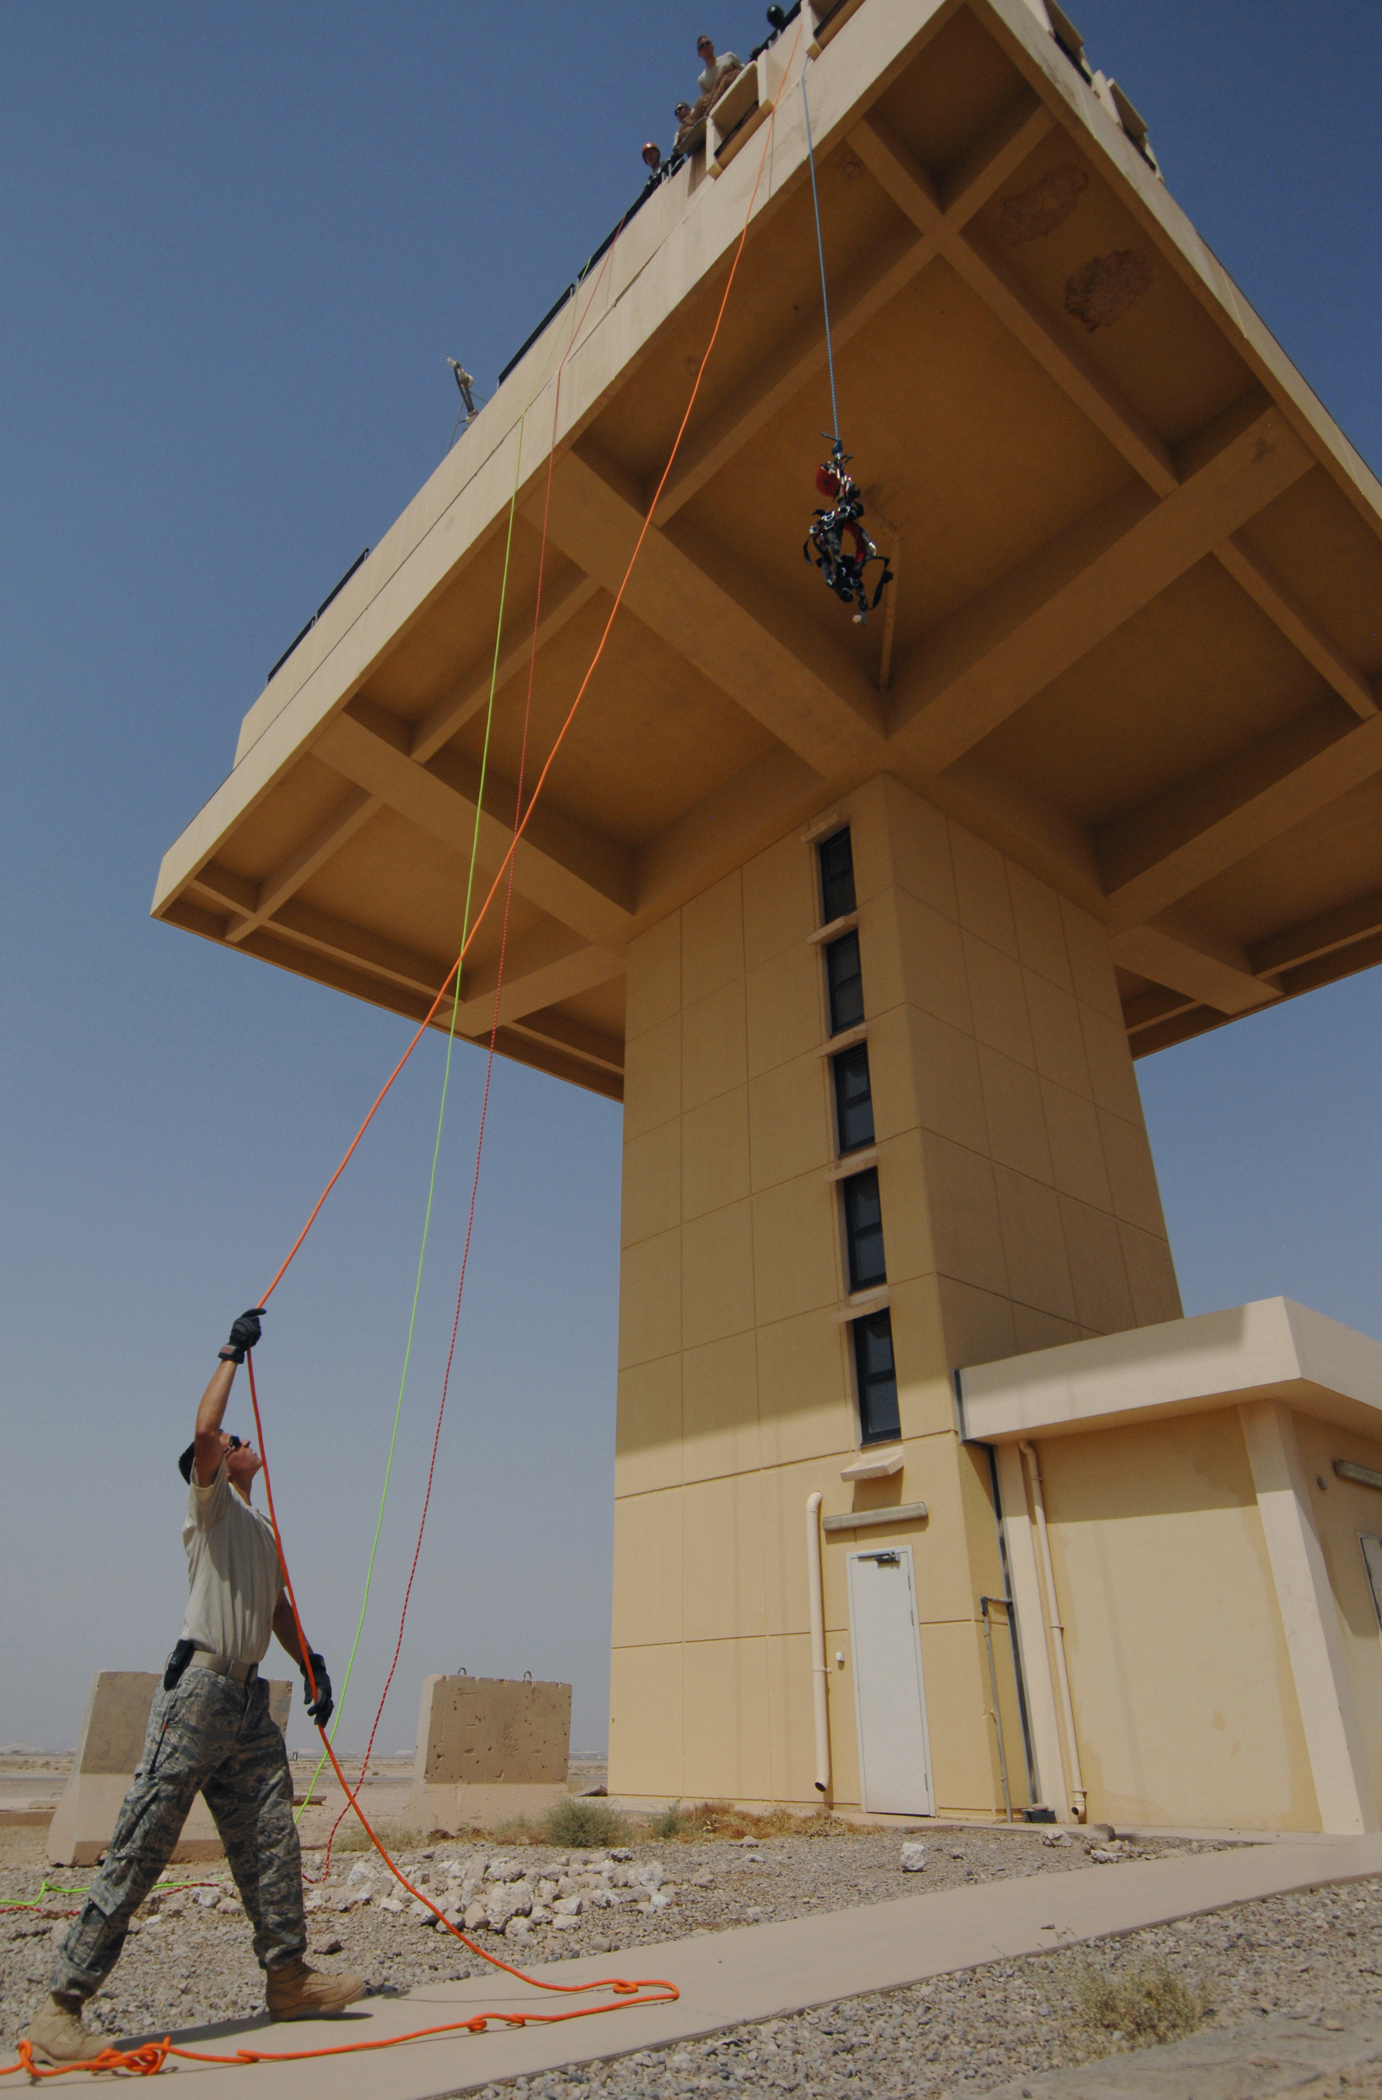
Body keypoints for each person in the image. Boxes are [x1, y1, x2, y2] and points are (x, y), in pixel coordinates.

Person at [26, 1309, 364, 2068]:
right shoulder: (208, 1506)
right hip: (200, 1693)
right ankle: (60, 2007)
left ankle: (288, 1980)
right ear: (208, 1467)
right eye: (231, 1444)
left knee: (272, 1838)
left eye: (240, 1442)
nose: (243, 1444)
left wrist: (309, 1661)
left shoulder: (261, 1529)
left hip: (248, 1702)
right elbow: (205, 1429)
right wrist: (230, 1354)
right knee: (143, 1842)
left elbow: (276, 1608)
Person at [696, 33, 742, 100]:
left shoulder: (728, 57)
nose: (705, 45)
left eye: (707, 43)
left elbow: (744, 70)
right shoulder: (702, 79)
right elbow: (708, 101)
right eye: (702, 46)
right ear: (699, 54)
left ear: (712, 46)